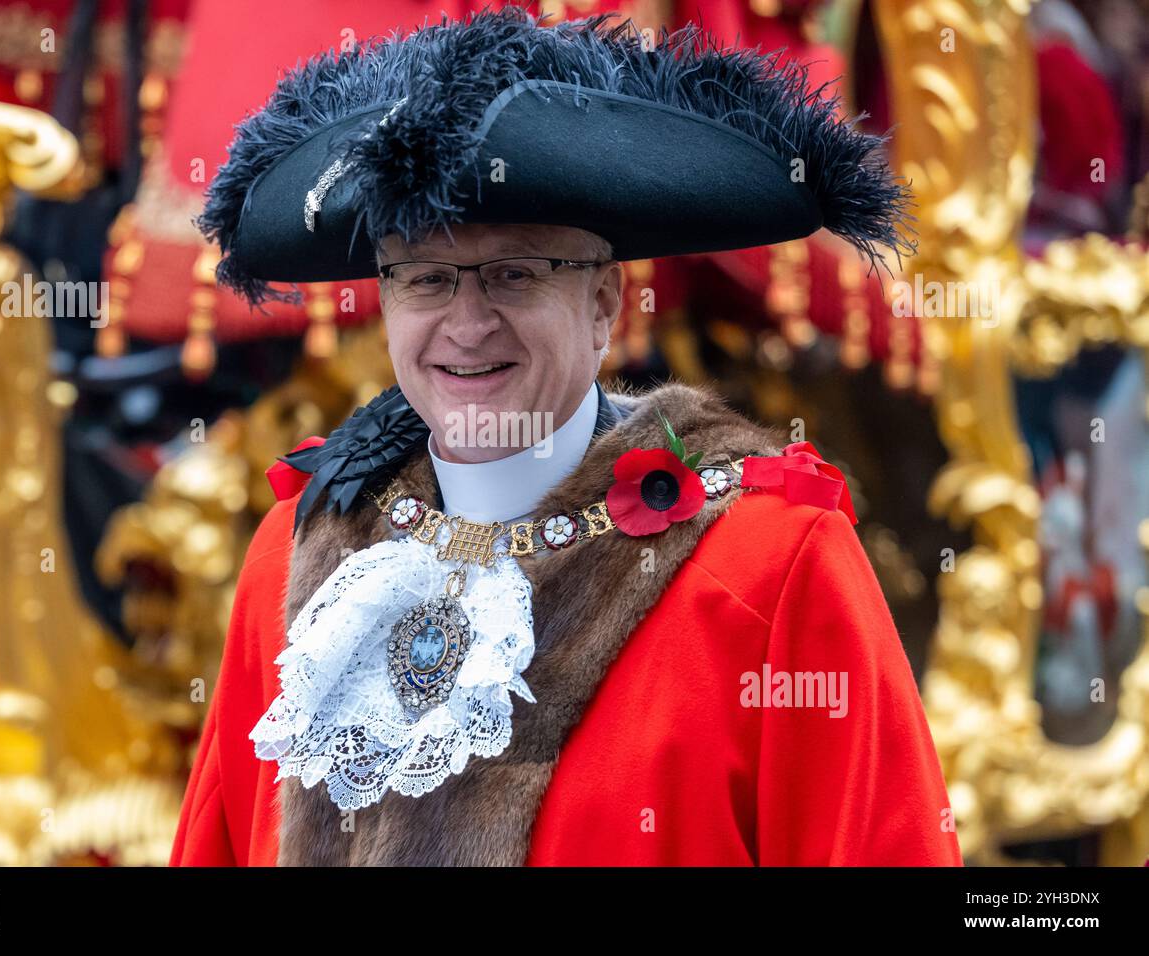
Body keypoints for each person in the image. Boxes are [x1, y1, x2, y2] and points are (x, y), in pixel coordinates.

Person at [169, 7, 963, 866]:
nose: (466, 325)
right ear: (388, 301)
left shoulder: (772, 564)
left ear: (602, 303)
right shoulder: (294, 555)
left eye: (515, 273)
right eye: (428, 279)